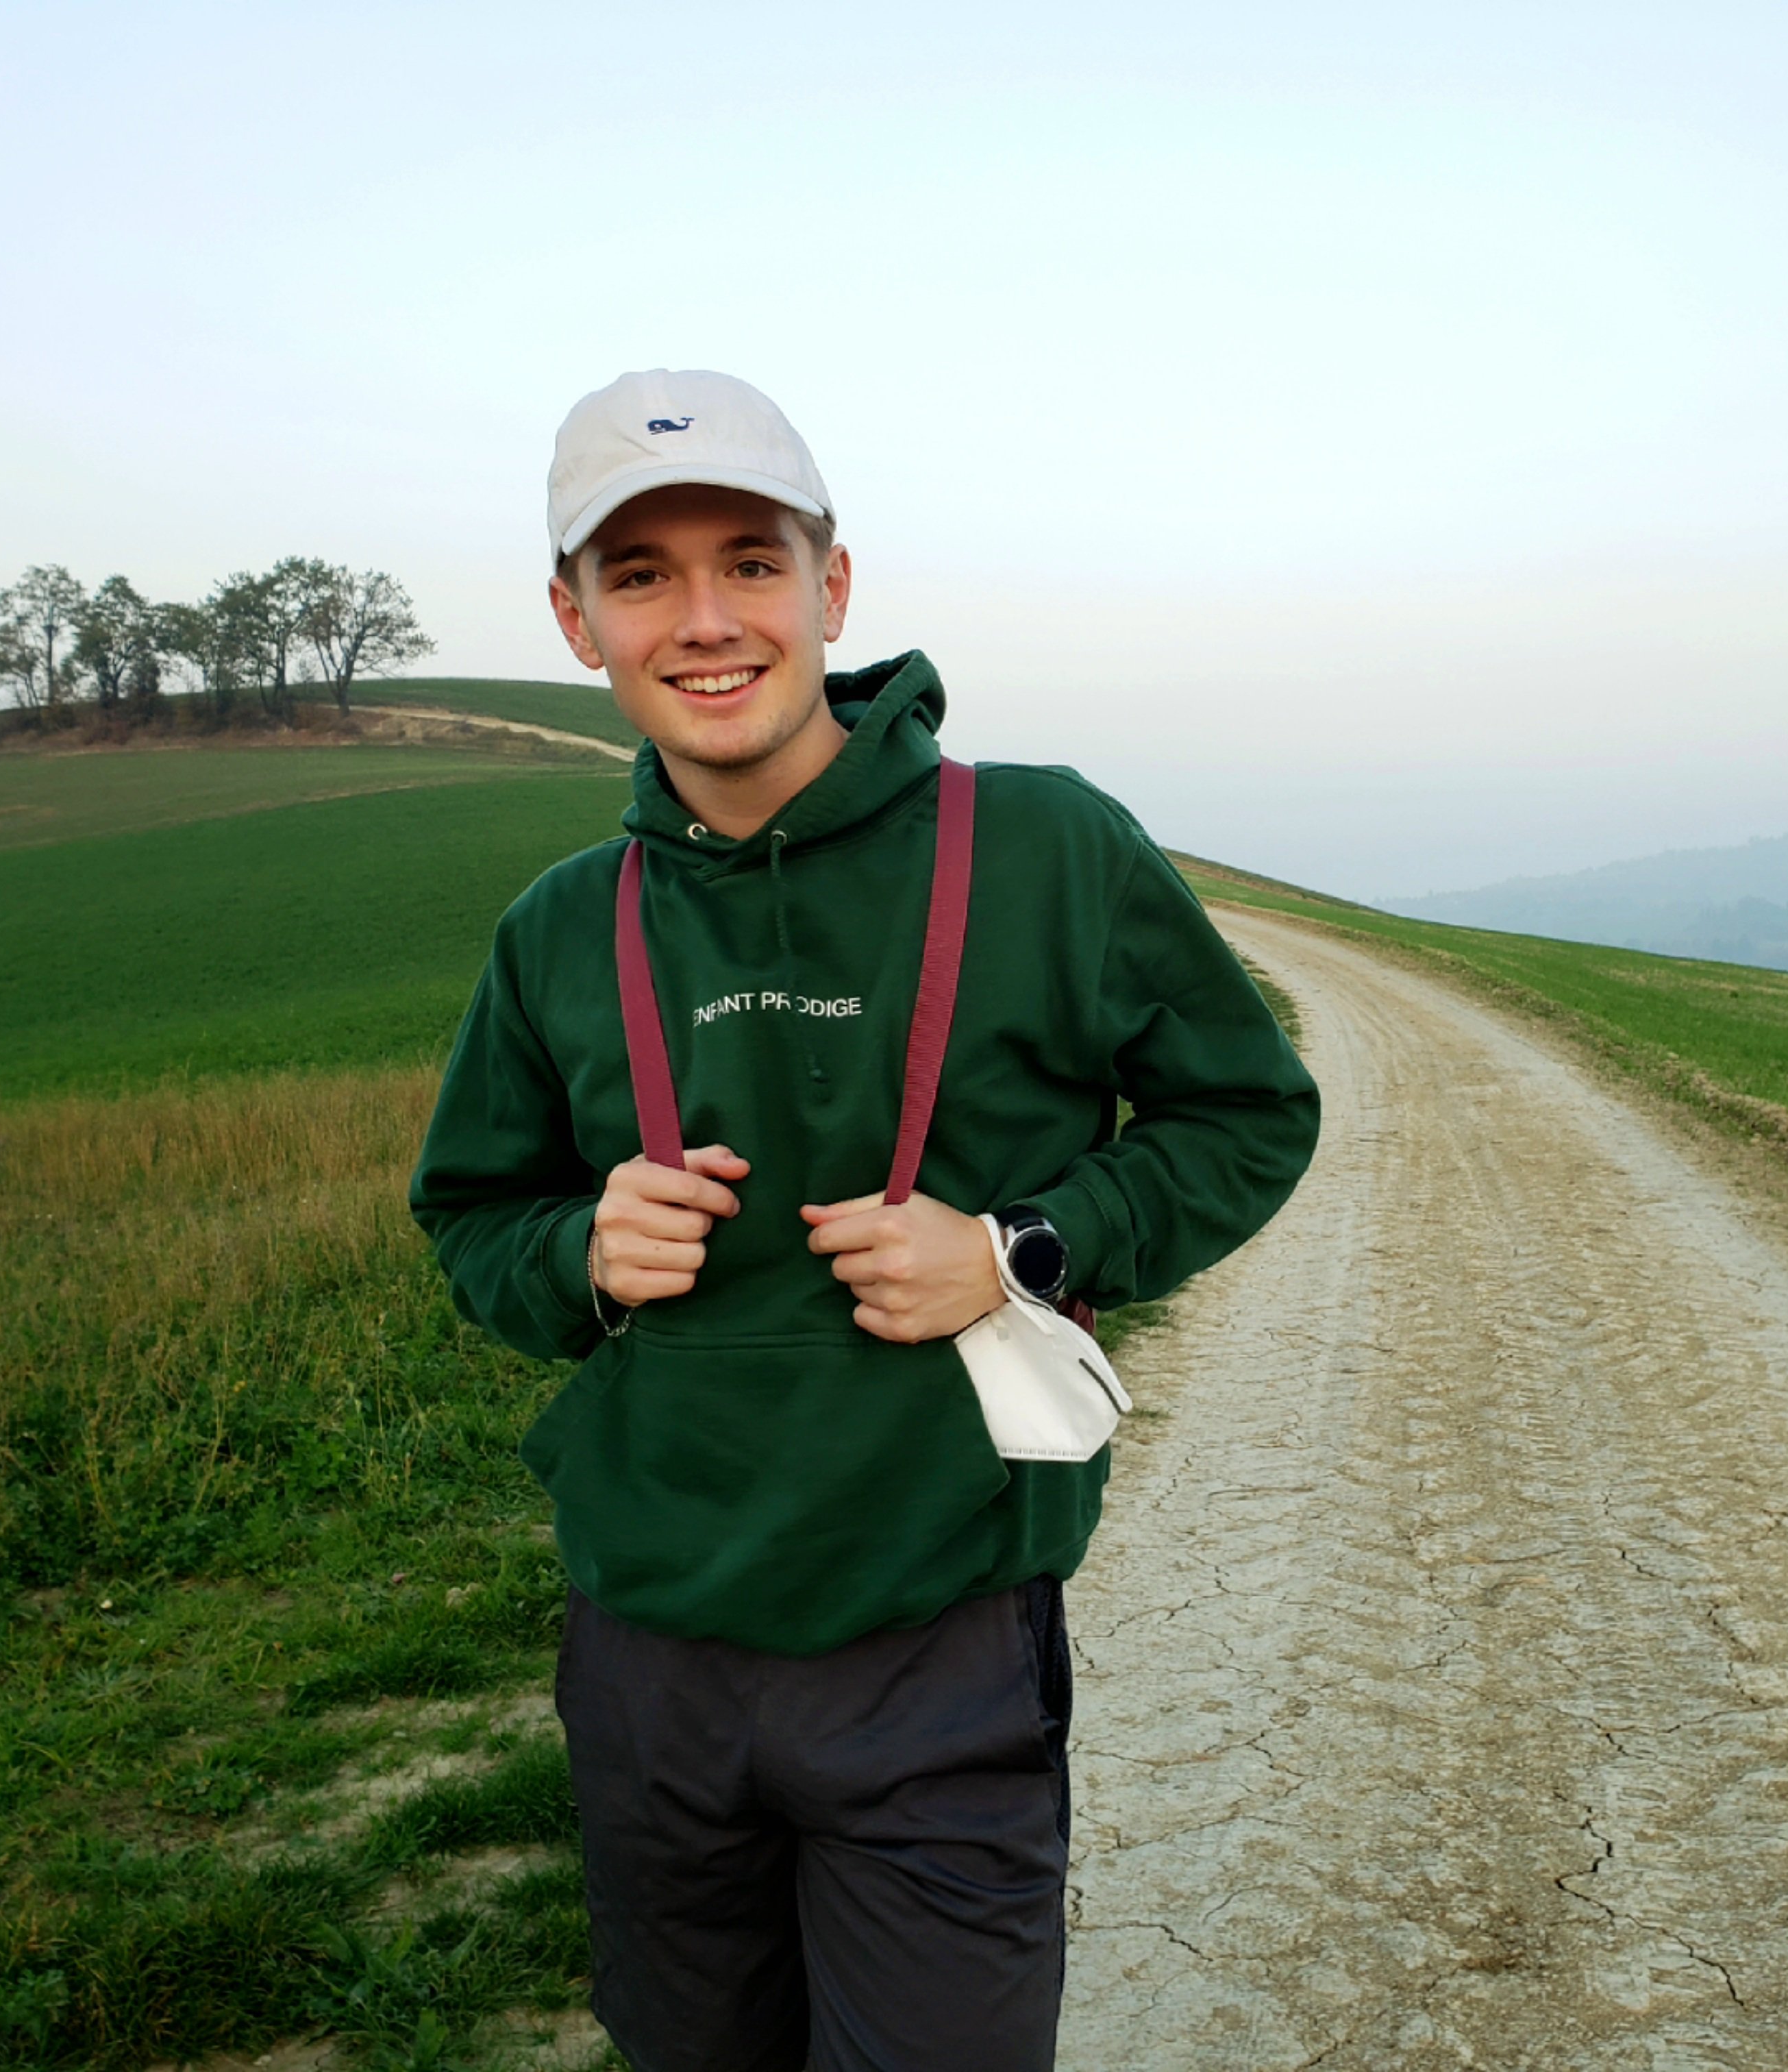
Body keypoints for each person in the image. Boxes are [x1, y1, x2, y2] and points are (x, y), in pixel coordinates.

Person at [409, 369, 1319, 2071]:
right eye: (641, 575)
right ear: (573, 619)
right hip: (647, 1659)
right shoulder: (558, 927)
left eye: (752, 562)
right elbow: (473, 1215)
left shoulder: (1049, 844)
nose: (705, 620)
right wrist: (576, 1255)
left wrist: (1017, 1250)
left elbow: (1250, 1115)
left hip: (939, 1640)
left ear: (833, 586)